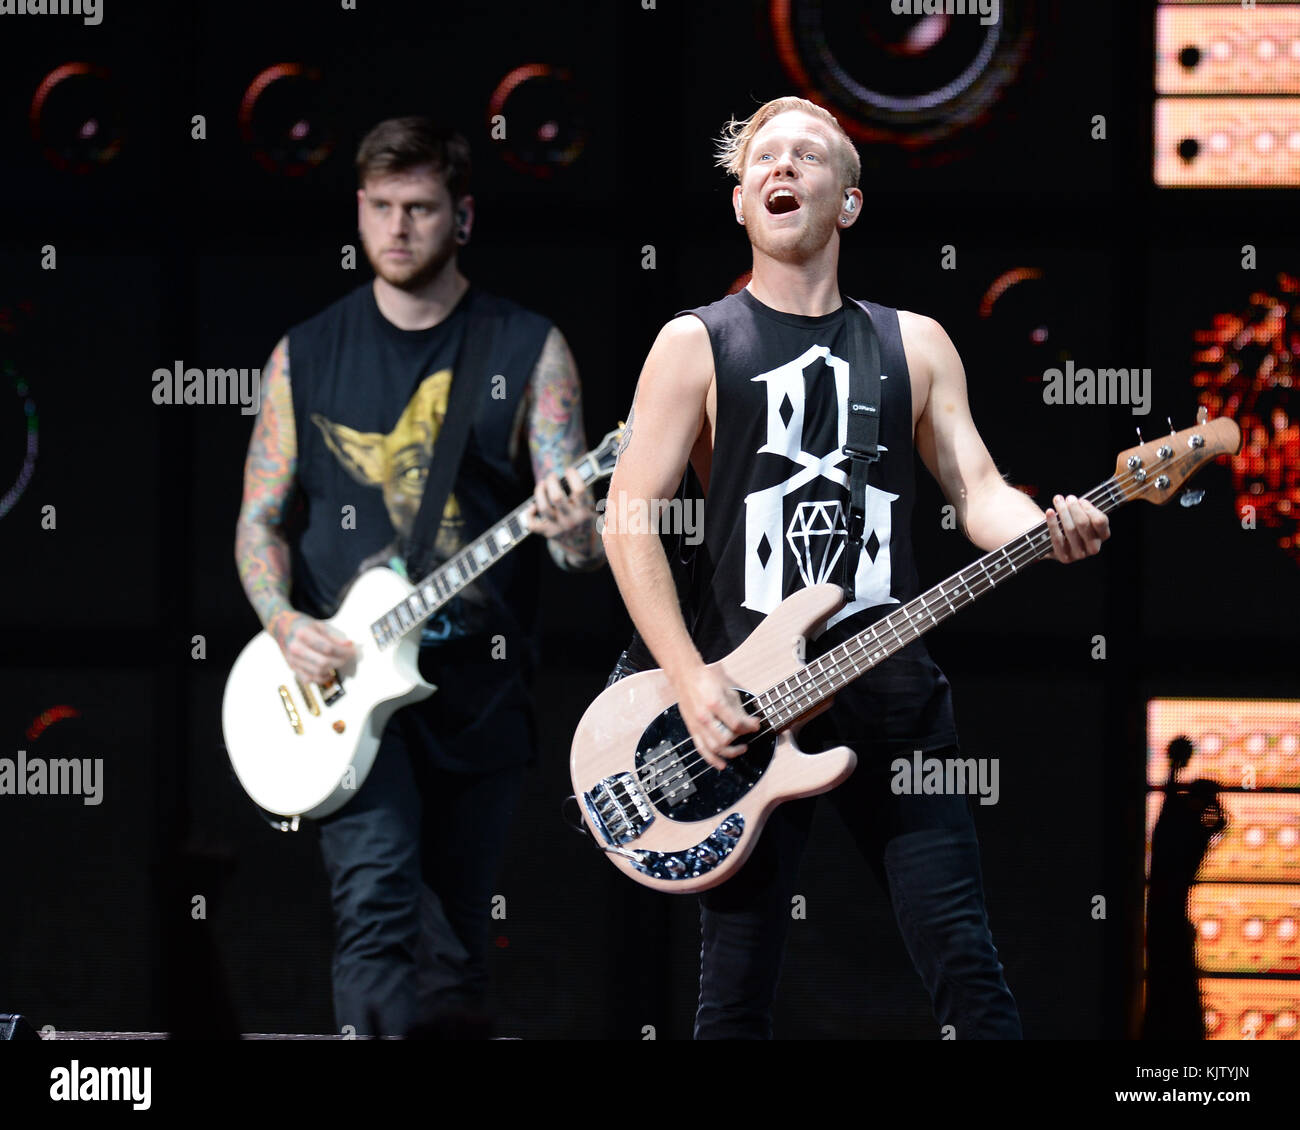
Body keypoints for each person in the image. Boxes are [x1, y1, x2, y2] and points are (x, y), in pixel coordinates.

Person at [602, 95, 1110, 1039]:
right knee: (733, 1004)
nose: (782, 168)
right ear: (742, 202)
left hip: (895, 695)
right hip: (746, 707)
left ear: (849, 202)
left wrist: (1048, 524)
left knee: (966, 961)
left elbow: (979, 491)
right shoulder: (695, 342)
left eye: (808, 155)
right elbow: (626, 519)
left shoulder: (912, 343)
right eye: (764, 159)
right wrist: (689, 679)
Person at [234, 116, 603, 1036]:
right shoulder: (305, 356)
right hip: (348, 685)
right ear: (359, 211)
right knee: (376, 906)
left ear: (462, 216)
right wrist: (285, 625)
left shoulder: (527, 351)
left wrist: (578, 535)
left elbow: (576, 543)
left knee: (455, 950)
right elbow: (259, 523)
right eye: (382, 208)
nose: (399, 228)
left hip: (478, 693)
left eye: (423, 209)